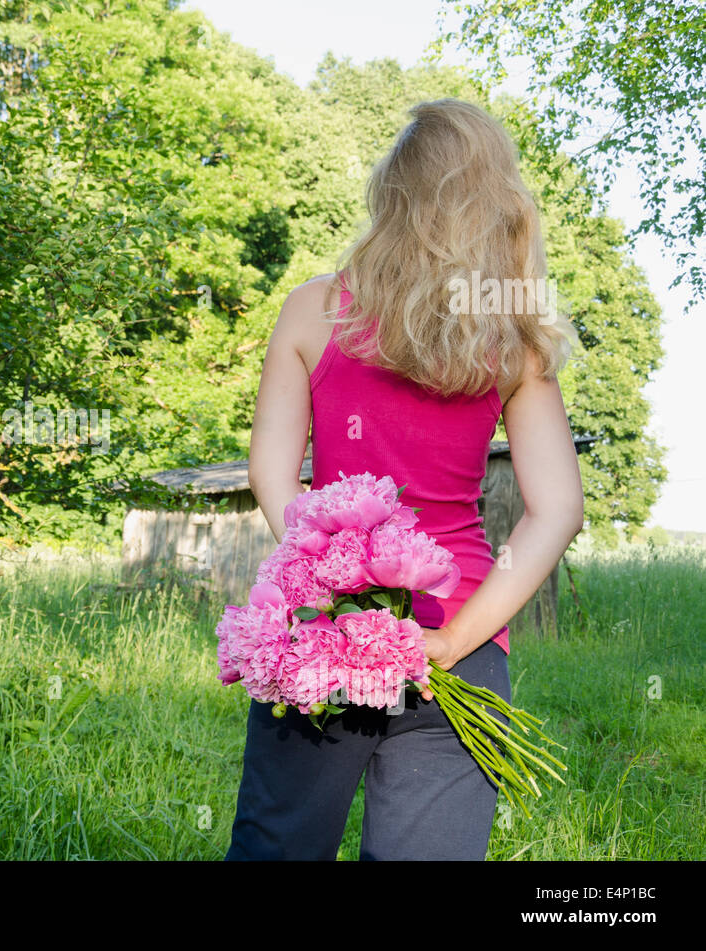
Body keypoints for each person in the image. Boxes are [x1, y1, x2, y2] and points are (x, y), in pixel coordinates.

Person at [225, 99, 585, 861]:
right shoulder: (516, 341)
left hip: (318, 640)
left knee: (279, 846)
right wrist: (453, 637)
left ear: (392, 196)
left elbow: (269, 472)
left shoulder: (311, 311)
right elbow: (555, 511)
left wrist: (344, 593)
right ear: (499, 205)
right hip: (466, 642)